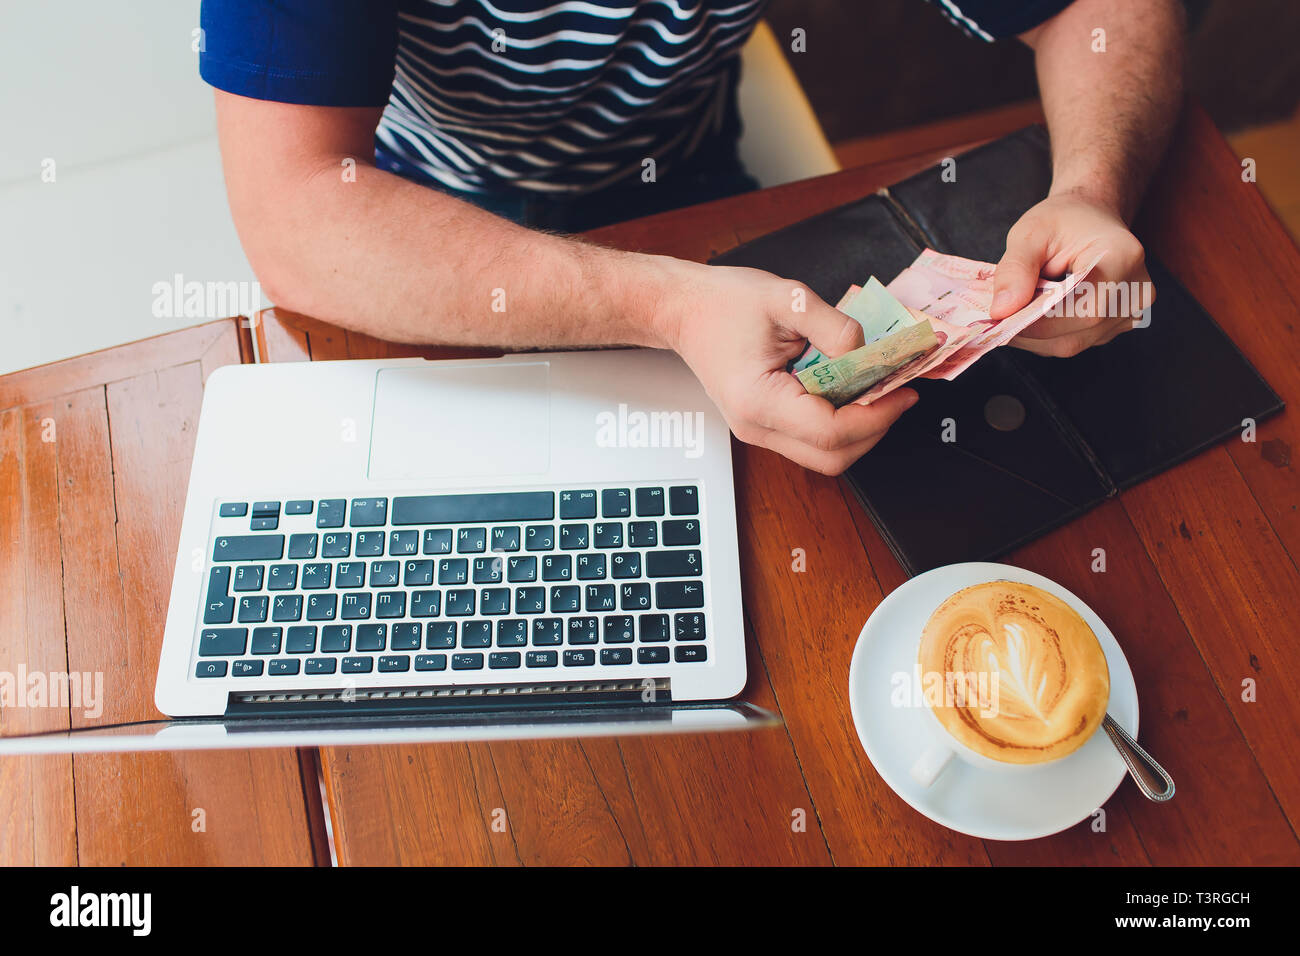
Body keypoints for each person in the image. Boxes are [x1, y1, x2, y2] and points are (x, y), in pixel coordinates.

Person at [200, 0, 1182, 474]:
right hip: (417, 214)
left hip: (689, 173)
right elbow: (296, 206)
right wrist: (658, 303)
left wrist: (1091, 185)